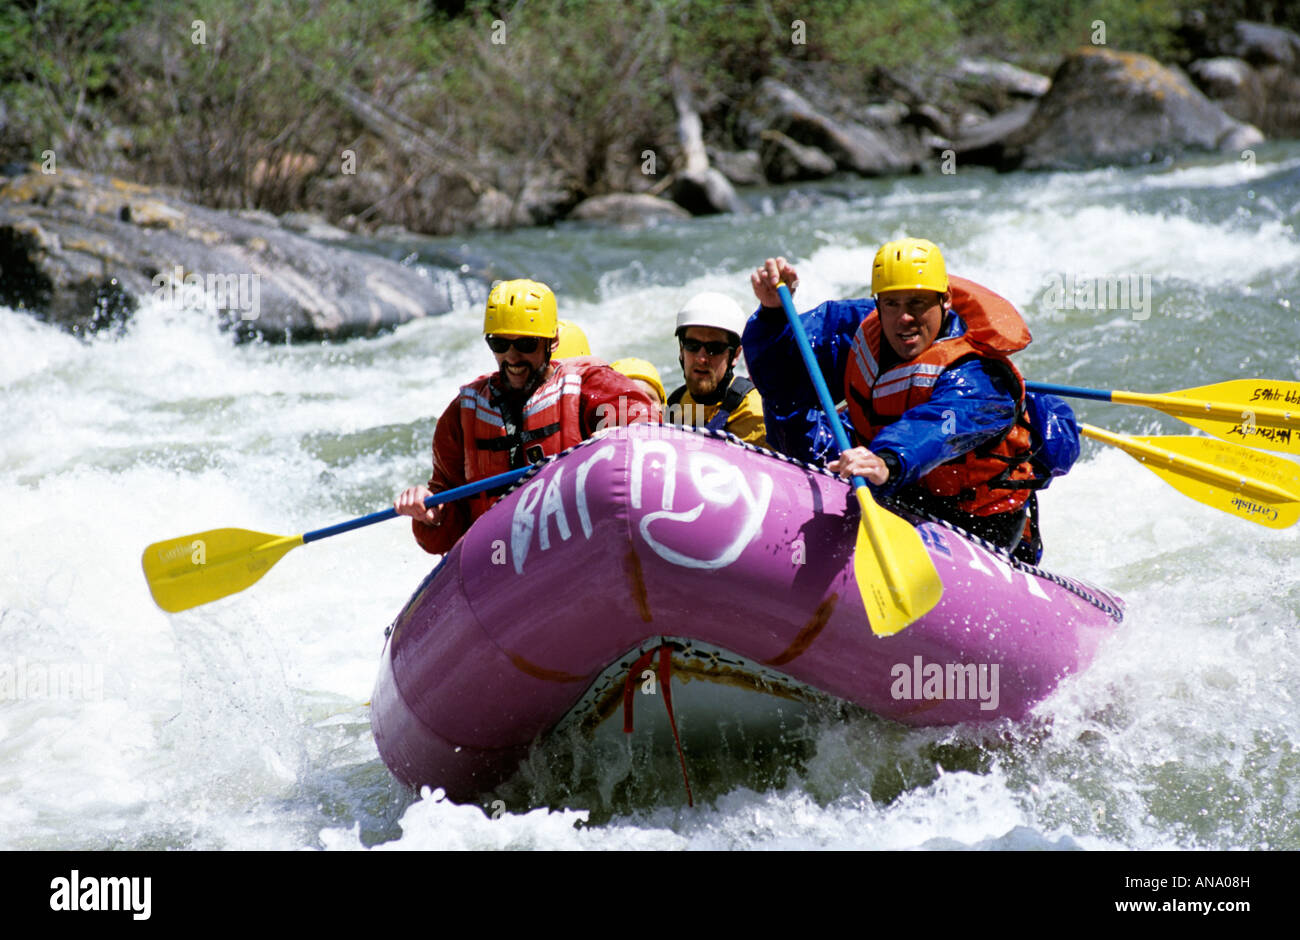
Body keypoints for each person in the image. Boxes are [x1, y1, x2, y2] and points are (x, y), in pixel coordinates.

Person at [747, 238, 1077, 563]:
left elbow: (939, 427)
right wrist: (773, 314)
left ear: (945, 300)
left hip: (976, 519)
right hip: (892, 481)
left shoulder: (978, 377)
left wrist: (887, 461)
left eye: (917, 303)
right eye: (892, 304)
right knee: (788, 413)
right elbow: (780, 377)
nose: (904, 318)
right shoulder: (858, 327)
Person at [394, 278, 657, 554]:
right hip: (499, 558)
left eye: (526, 344)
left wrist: (615, 446)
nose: (513, 357)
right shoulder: (461, 415)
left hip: (580, 548)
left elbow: (646, 439)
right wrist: (432, 514)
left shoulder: (592, 387)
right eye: (499, 344)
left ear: (552, 342)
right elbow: (448, 528)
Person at [663, 292, 767, 447]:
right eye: (692, 346)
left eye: (714, 348)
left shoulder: (755, 414)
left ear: (735, 355)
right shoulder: (676, 402)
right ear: (681, 349)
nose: (701, 359)